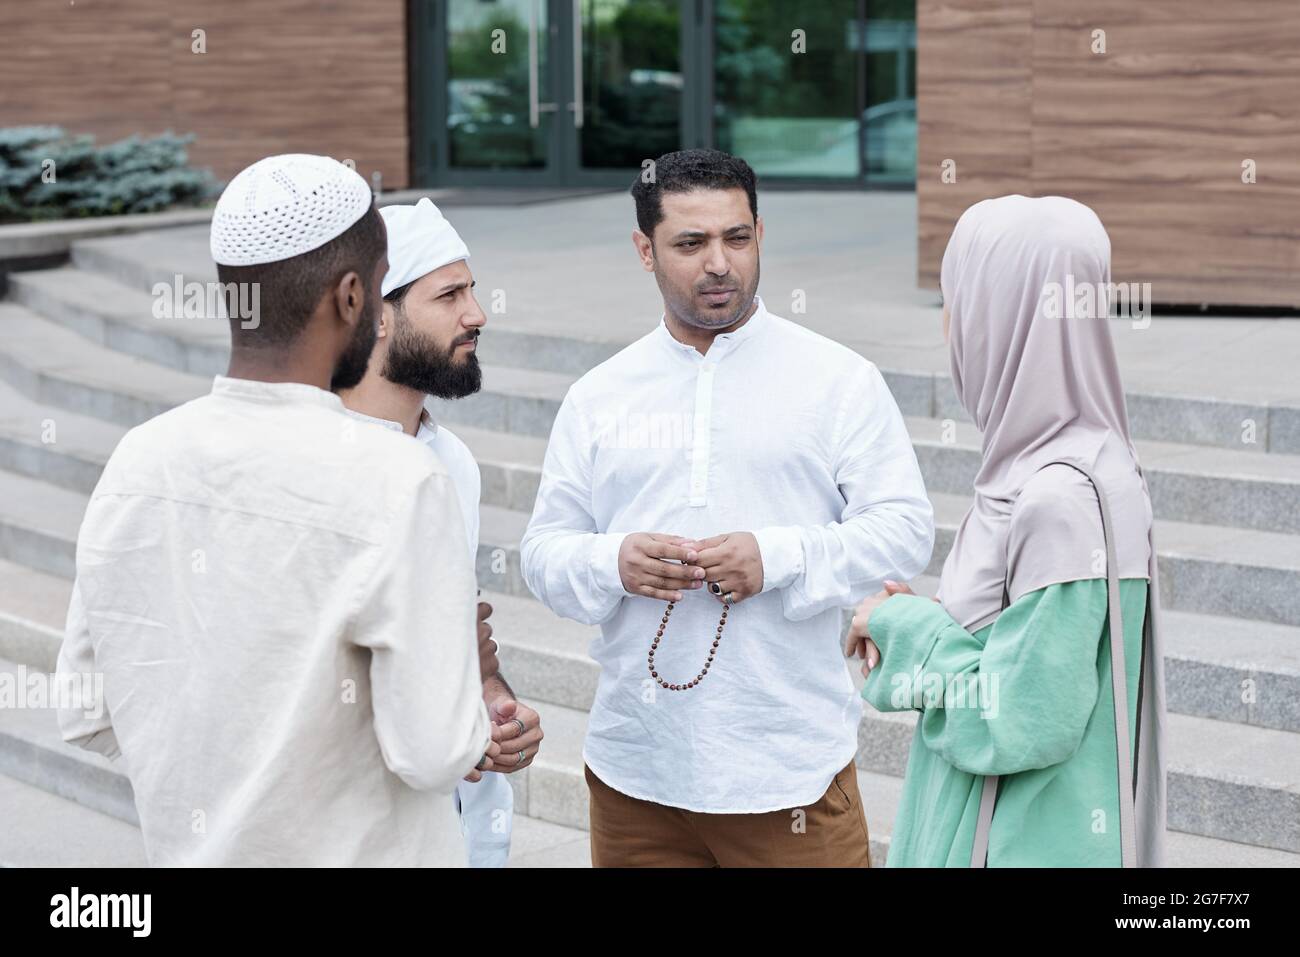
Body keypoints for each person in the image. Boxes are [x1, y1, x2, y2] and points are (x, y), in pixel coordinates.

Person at [56, 154, 500, 866]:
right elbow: (434, 750)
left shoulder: (140, 458)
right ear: (353, 297)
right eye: (384, 285)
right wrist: (460, 668)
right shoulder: (397, 477)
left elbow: (85, 710)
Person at [520, 148, 934, 867]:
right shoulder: (600, 394)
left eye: (736, 238)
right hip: (636, 777)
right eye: (691, 243)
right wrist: (611, 559)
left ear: (760, 234)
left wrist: (775, 556)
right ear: (644, 250)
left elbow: (903, 531)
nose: (719, 263)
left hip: (789, 775)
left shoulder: (837, 380)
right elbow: (542, 551)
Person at [845, 194, 1168, 867]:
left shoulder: (1059, 496)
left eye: (959, 298)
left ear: (1002, 317)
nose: (949, 322)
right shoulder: (1088, 463)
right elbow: (1032, 653)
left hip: (1009, 841)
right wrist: (938, 618)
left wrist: (905, 624)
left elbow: (1017, 718)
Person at [338, 198, 545, 867]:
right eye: (450, 294)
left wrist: (492, 697)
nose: (476, 314)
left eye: (472, 290)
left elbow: (458, 634)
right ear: (374, 313)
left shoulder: (451, 459)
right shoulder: (318, 467)